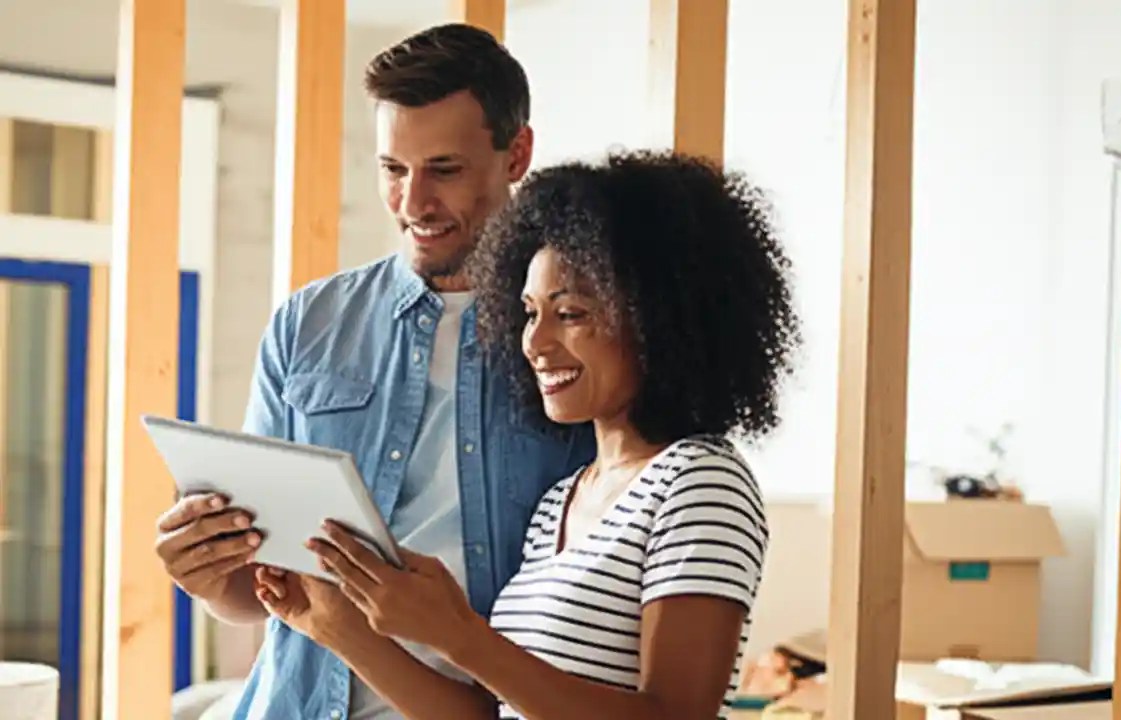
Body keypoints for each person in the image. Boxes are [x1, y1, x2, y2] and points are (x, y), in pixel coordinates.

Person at [256, 150, 802, 720]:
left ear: (659, 319)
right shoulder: (559, 503)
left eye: (571, 314)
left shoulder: (700, 482)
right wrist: (337, 628)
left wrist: (458, 632)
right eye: (529, 312)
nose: (534, 344)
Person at [150, 24, 595, 719]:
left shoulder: (578, 336)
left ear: (517, 154)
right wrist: (205, 573)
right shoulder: (309, 323)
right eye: (393, 169)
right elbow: (253, 589)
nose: (413, 203)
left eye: (443, 170)